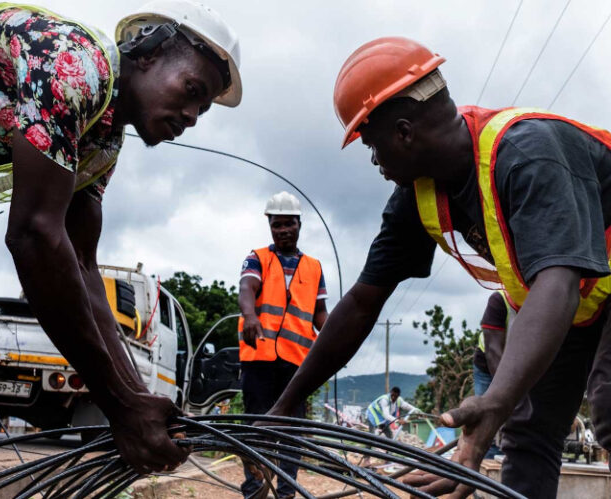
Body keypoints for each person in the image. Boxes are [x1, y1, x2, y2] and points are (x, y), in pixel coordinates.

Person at [0, 0, 242, 495]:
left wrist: (138, 397)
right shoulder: (73, 63)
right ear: (147, 56)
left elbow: (81, 266)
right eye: (192, 91)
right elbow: (34, 237)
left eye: (202, 108)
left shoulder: (102, 142)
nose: (192, 115)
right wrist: (118, 403)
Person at [264, 36, 611, 499]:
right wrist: (287, 404)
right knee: (527, 433)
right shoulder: (417, 196)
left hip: (576, 289)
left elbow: (558, 283)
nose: (375, 162)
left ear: (404, 133)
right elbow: (364, 302)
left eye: (372, 145)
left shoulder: (527, 152)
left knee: (608, 407)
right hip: (580, 296)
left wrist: (495, 398)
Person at [238, 191, 328, 499]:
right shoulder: (257, 257)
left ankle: (286, 493)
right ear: (270, 226)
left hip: (296, 363)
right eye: (277, 225)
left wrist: (336, 343)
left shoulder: (314, 267)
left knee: (290, 431)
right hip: (259, 357)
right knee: (256, 426)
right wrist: (250, 315)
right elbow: (247, 288)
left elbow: (320, 314)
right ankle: (255, 490)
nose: (283, 231)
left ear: (299, 224)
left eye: (288, 224)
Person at [473, 291, 512, 459]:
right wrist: (510, 396)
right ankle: (487, 458)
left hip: (517, 365)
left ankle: (508, 451)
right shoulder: (499, 300)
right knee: (487, 413)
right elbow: (493, 353)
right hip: (487, 366)